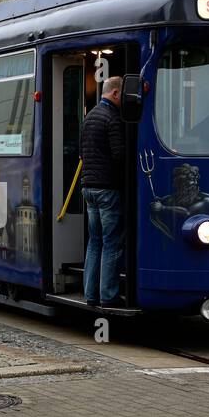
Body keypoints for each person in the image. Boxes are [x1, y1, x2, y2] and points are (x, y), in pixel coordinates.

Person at [80, 76, 126, 306]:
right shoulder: (112, 118)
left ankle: (90, 294)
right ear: (116, 94)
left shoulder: (90, 117)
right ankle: (108, 295)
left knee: (94, 242)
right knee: (111, 244)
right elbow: (119, 155)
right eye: (122, 95)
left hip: (89, 188)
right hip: (108, 189)